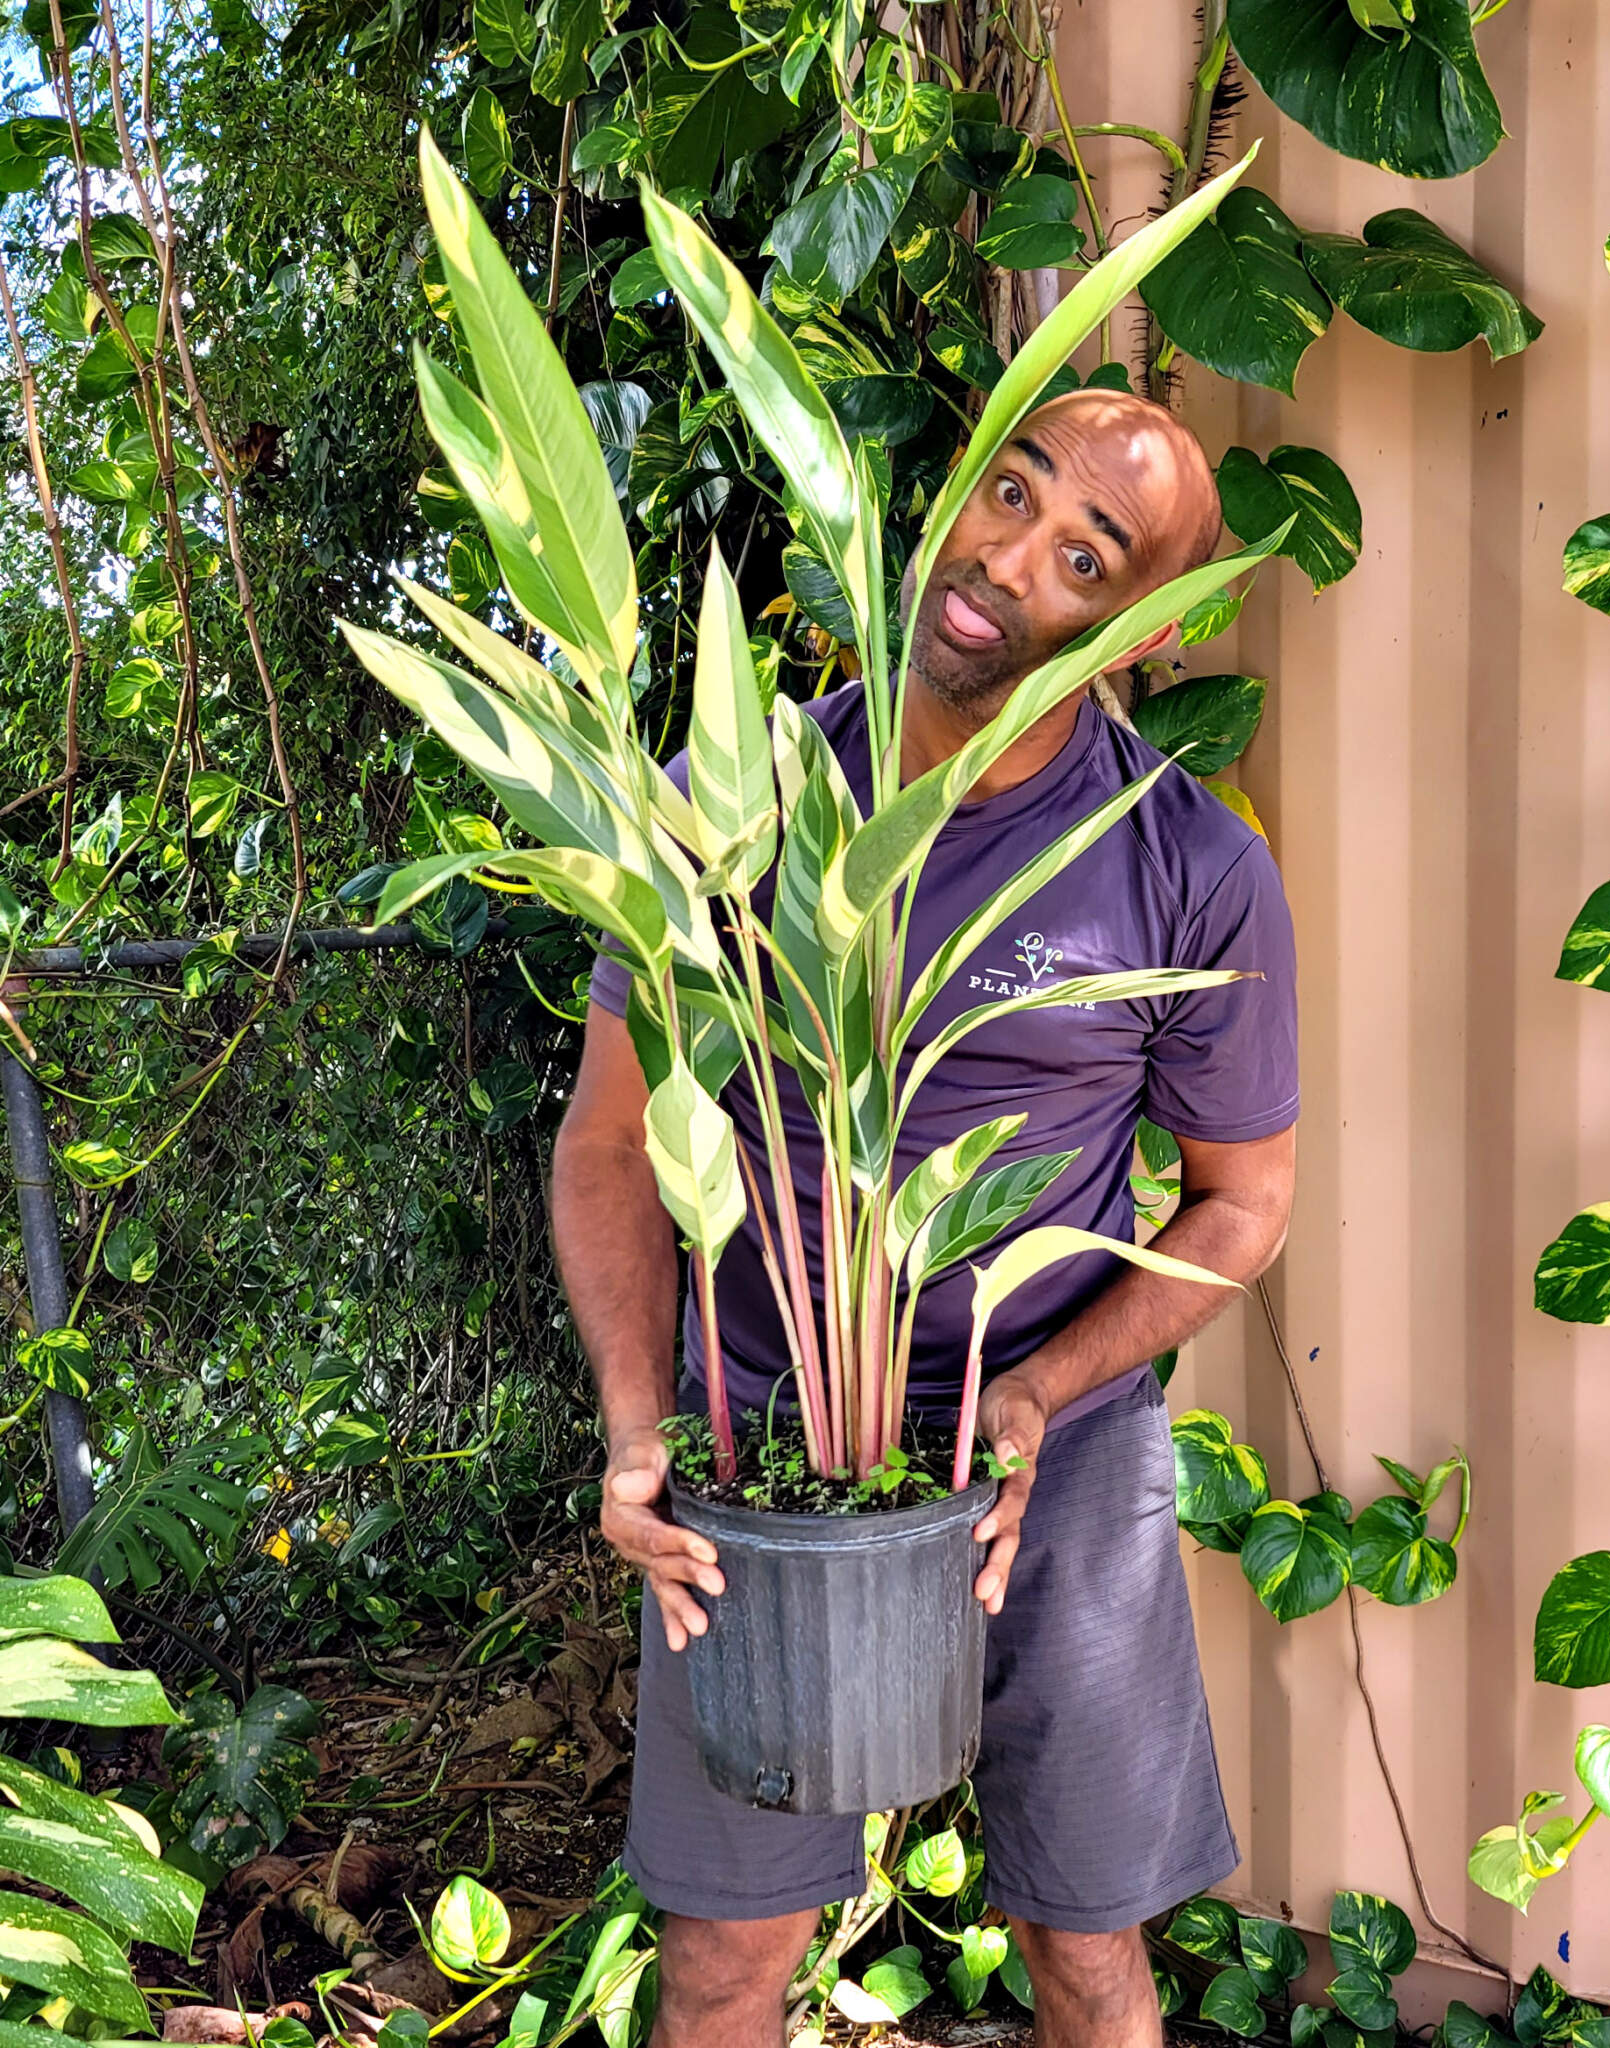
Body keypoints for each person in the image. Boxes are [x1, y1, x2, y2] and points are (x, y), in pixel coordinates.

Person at [550, 388, 1300, 2048]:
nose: (1009, 559)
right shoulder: (723, 808)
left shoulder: (1185, 867)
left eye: (1086, 555)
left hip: (1056, 1457)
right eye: (1010, 492)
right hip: (753, 1452)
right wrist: (637, 1423)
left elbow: (1242, 1202)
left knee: (1087, 1951)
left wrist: (1041, 1392)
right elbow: (610, 1143)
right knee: (724, 1959)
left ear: (1136, 632)